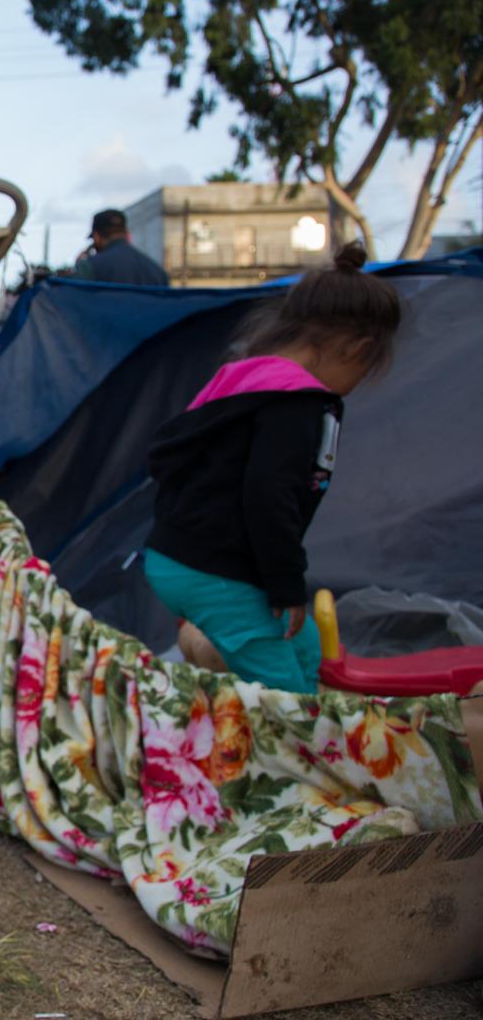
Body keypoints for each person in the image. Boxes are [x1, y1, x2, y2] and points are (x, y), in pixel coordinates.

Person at [143, 244, 400, 692]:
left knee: (307, 653)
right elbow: (269, 496)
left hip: (178, 556)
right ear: (356, 350)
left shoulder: (243, 380)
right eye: (362, 375)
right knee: (286, 700)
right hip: (217, 571)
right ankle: (277, 735)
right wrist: (286, 585)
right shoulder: (296, 403)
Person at [75, 208, 169, 286]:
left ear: (96, 236)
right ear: (126, 233)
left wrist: (79, 267)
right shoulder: (158, 272)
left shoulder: (89, 266)